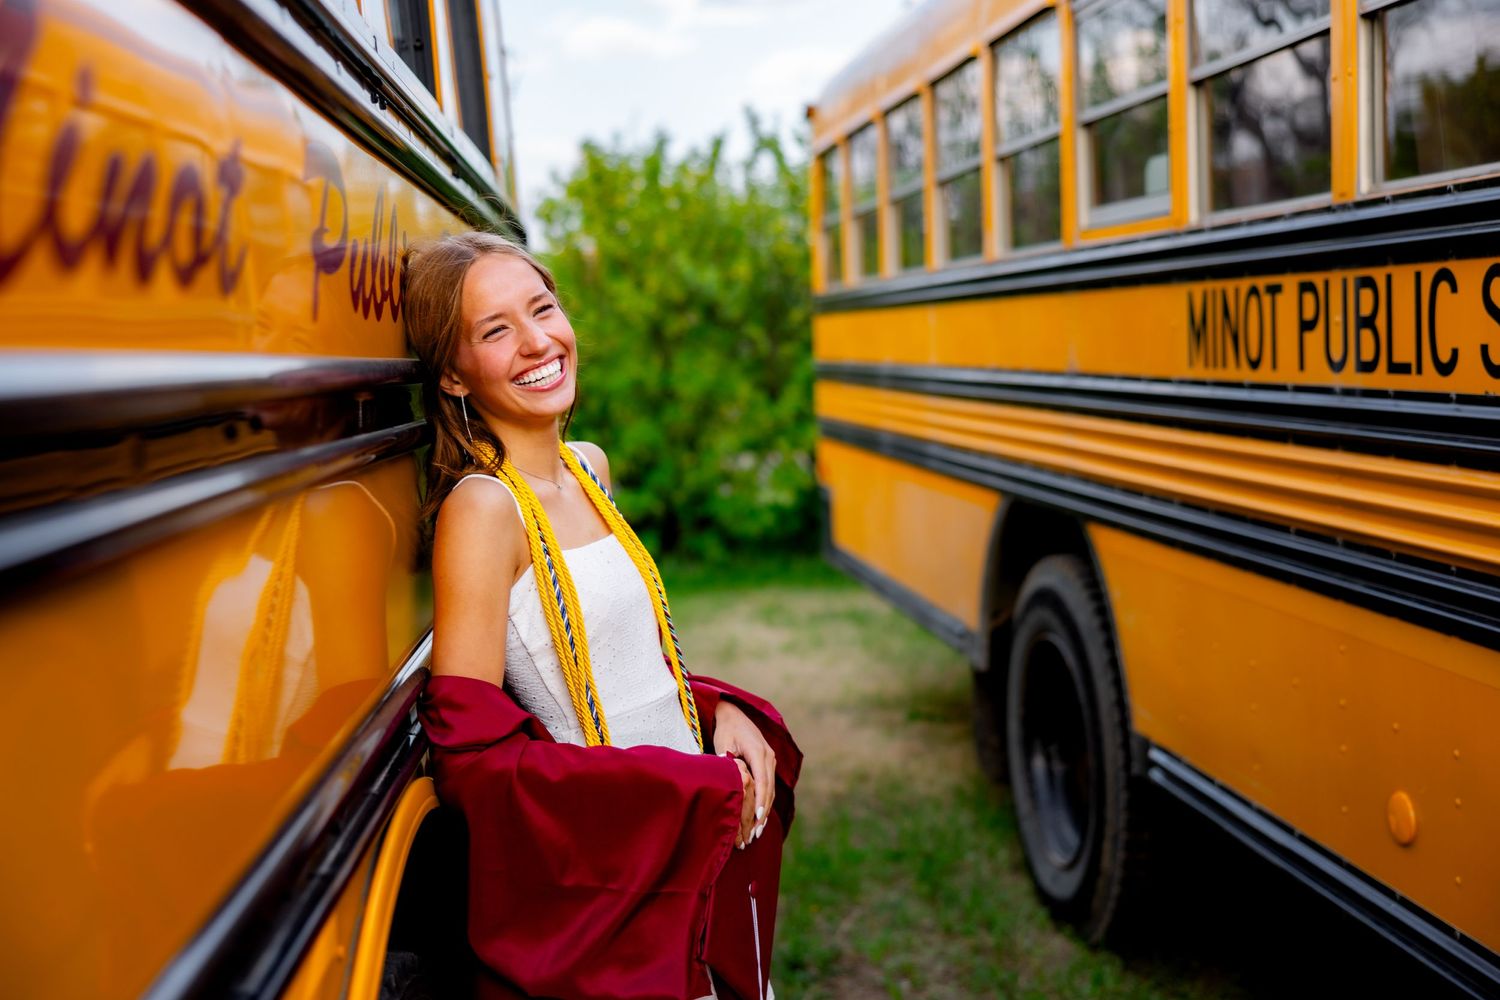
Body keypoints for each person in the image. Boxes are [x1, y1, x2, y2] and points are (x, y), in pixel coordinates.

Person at [402, 231, 800, 1000]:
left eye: (542, 309)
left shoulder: (589, 467)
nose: (536, 341)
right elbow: (472, 758)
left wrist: (716, 710)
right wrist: (673, 794)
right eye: (495, 331)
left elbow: (622, 660)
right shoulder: (483, 510)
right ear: (453, 374)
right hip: (620, 855)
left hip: (690, 834)